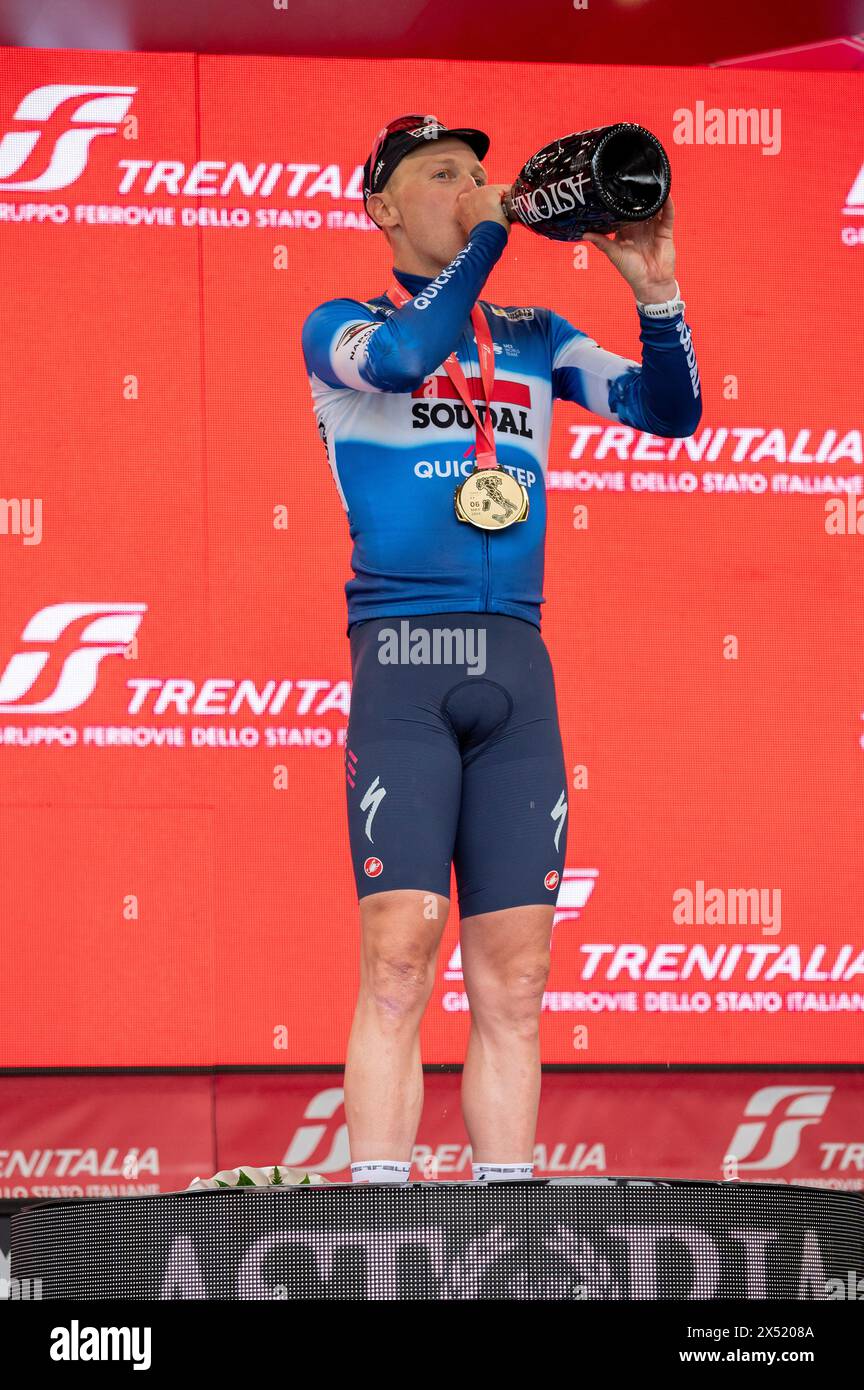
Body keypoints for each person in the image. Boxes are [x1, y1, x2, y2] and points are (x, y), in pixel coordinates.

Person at [301, 115, 701, 1186]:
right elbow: (404, 355)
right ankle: (383, 1224)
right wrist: (491, 233)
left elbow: (672, 413)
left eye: (481, 175)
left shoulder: (533, 334)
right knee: (397, 956)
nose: (473, 187)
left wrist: (655, 295)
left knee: (518, 979)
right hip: (404, 660)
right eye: (443, 176)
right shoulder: (339, 323)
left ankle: (508, 1222)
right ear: (383, 207)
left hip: (516, 670)